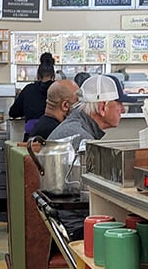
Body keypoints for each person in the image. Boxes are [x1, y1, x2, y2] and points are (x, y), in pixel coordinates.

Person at [47, 74, 136, 239]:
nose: (123, 110)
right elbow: (96, 192)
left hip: (65, 224)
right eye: (119, 104)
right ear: (103, 107)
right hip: (76, 228)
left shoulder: (75, 127)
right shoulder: (81, 139)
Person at [9, 52, 56, 137]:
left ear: (38, 76)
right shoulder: (59, 90)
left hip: (31, 140)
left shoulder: (28, 89)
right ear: (54, 76)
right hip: (54, 138)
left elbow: (13, 112)